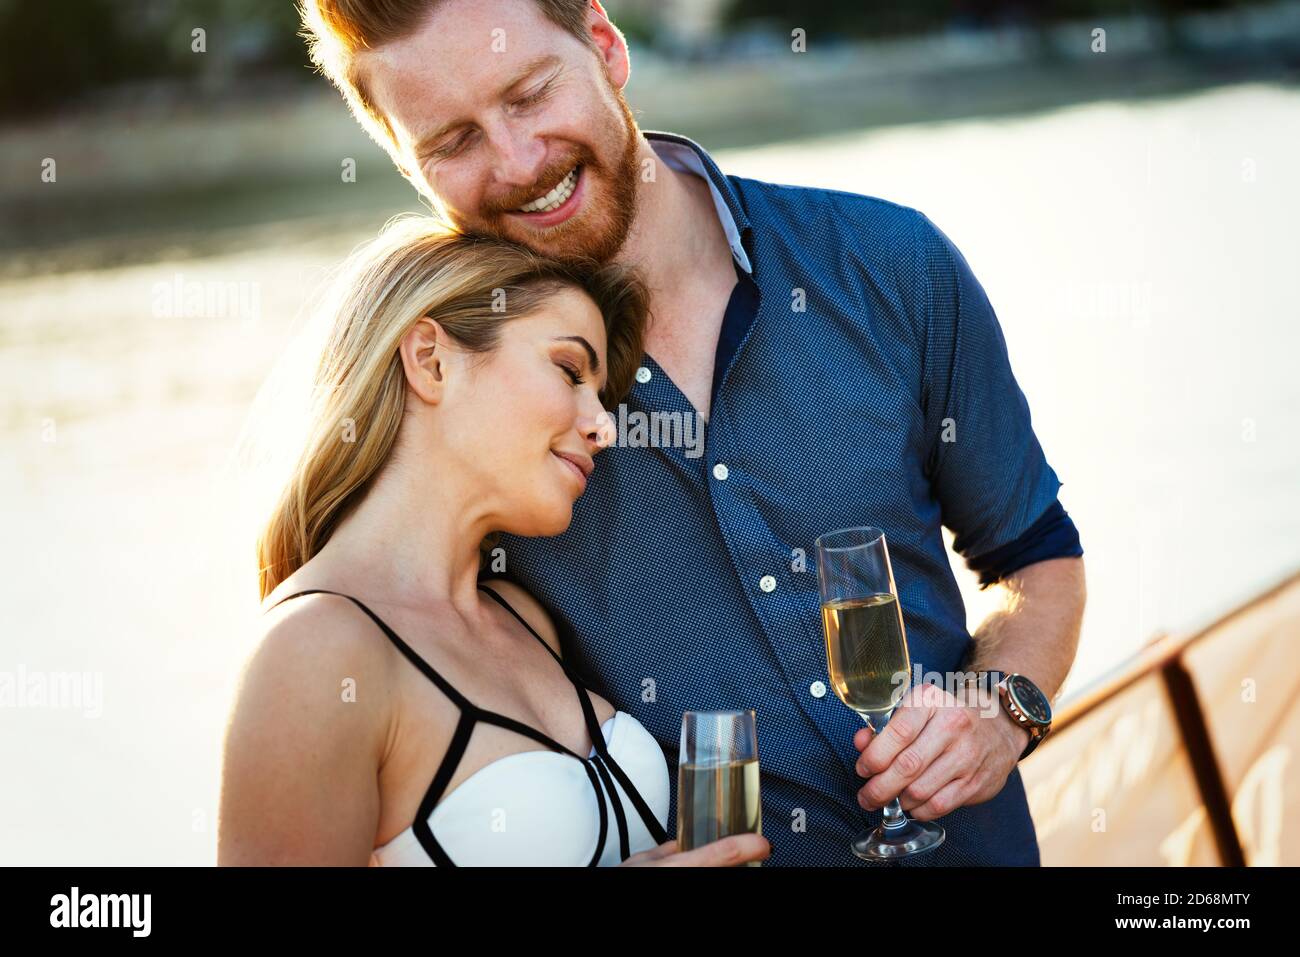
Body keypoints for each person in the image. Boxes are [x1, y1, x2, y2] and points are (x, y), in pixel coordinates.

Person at [297, 0, 1088, 865]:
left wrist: (1002, 702)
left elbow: (1035, 556)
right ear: (410, 168)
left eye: (529, 95)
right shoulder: (454, 414)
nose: (518, 163)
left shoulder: (893, 262)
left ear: (605, 45)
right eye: (453, 143)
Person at [217, 219, 772, 866]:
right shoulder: (314, 650)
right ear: (432, 360)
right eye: (568, 370)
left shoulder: (526, 615)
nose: (603, 426)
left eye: (602, 395)